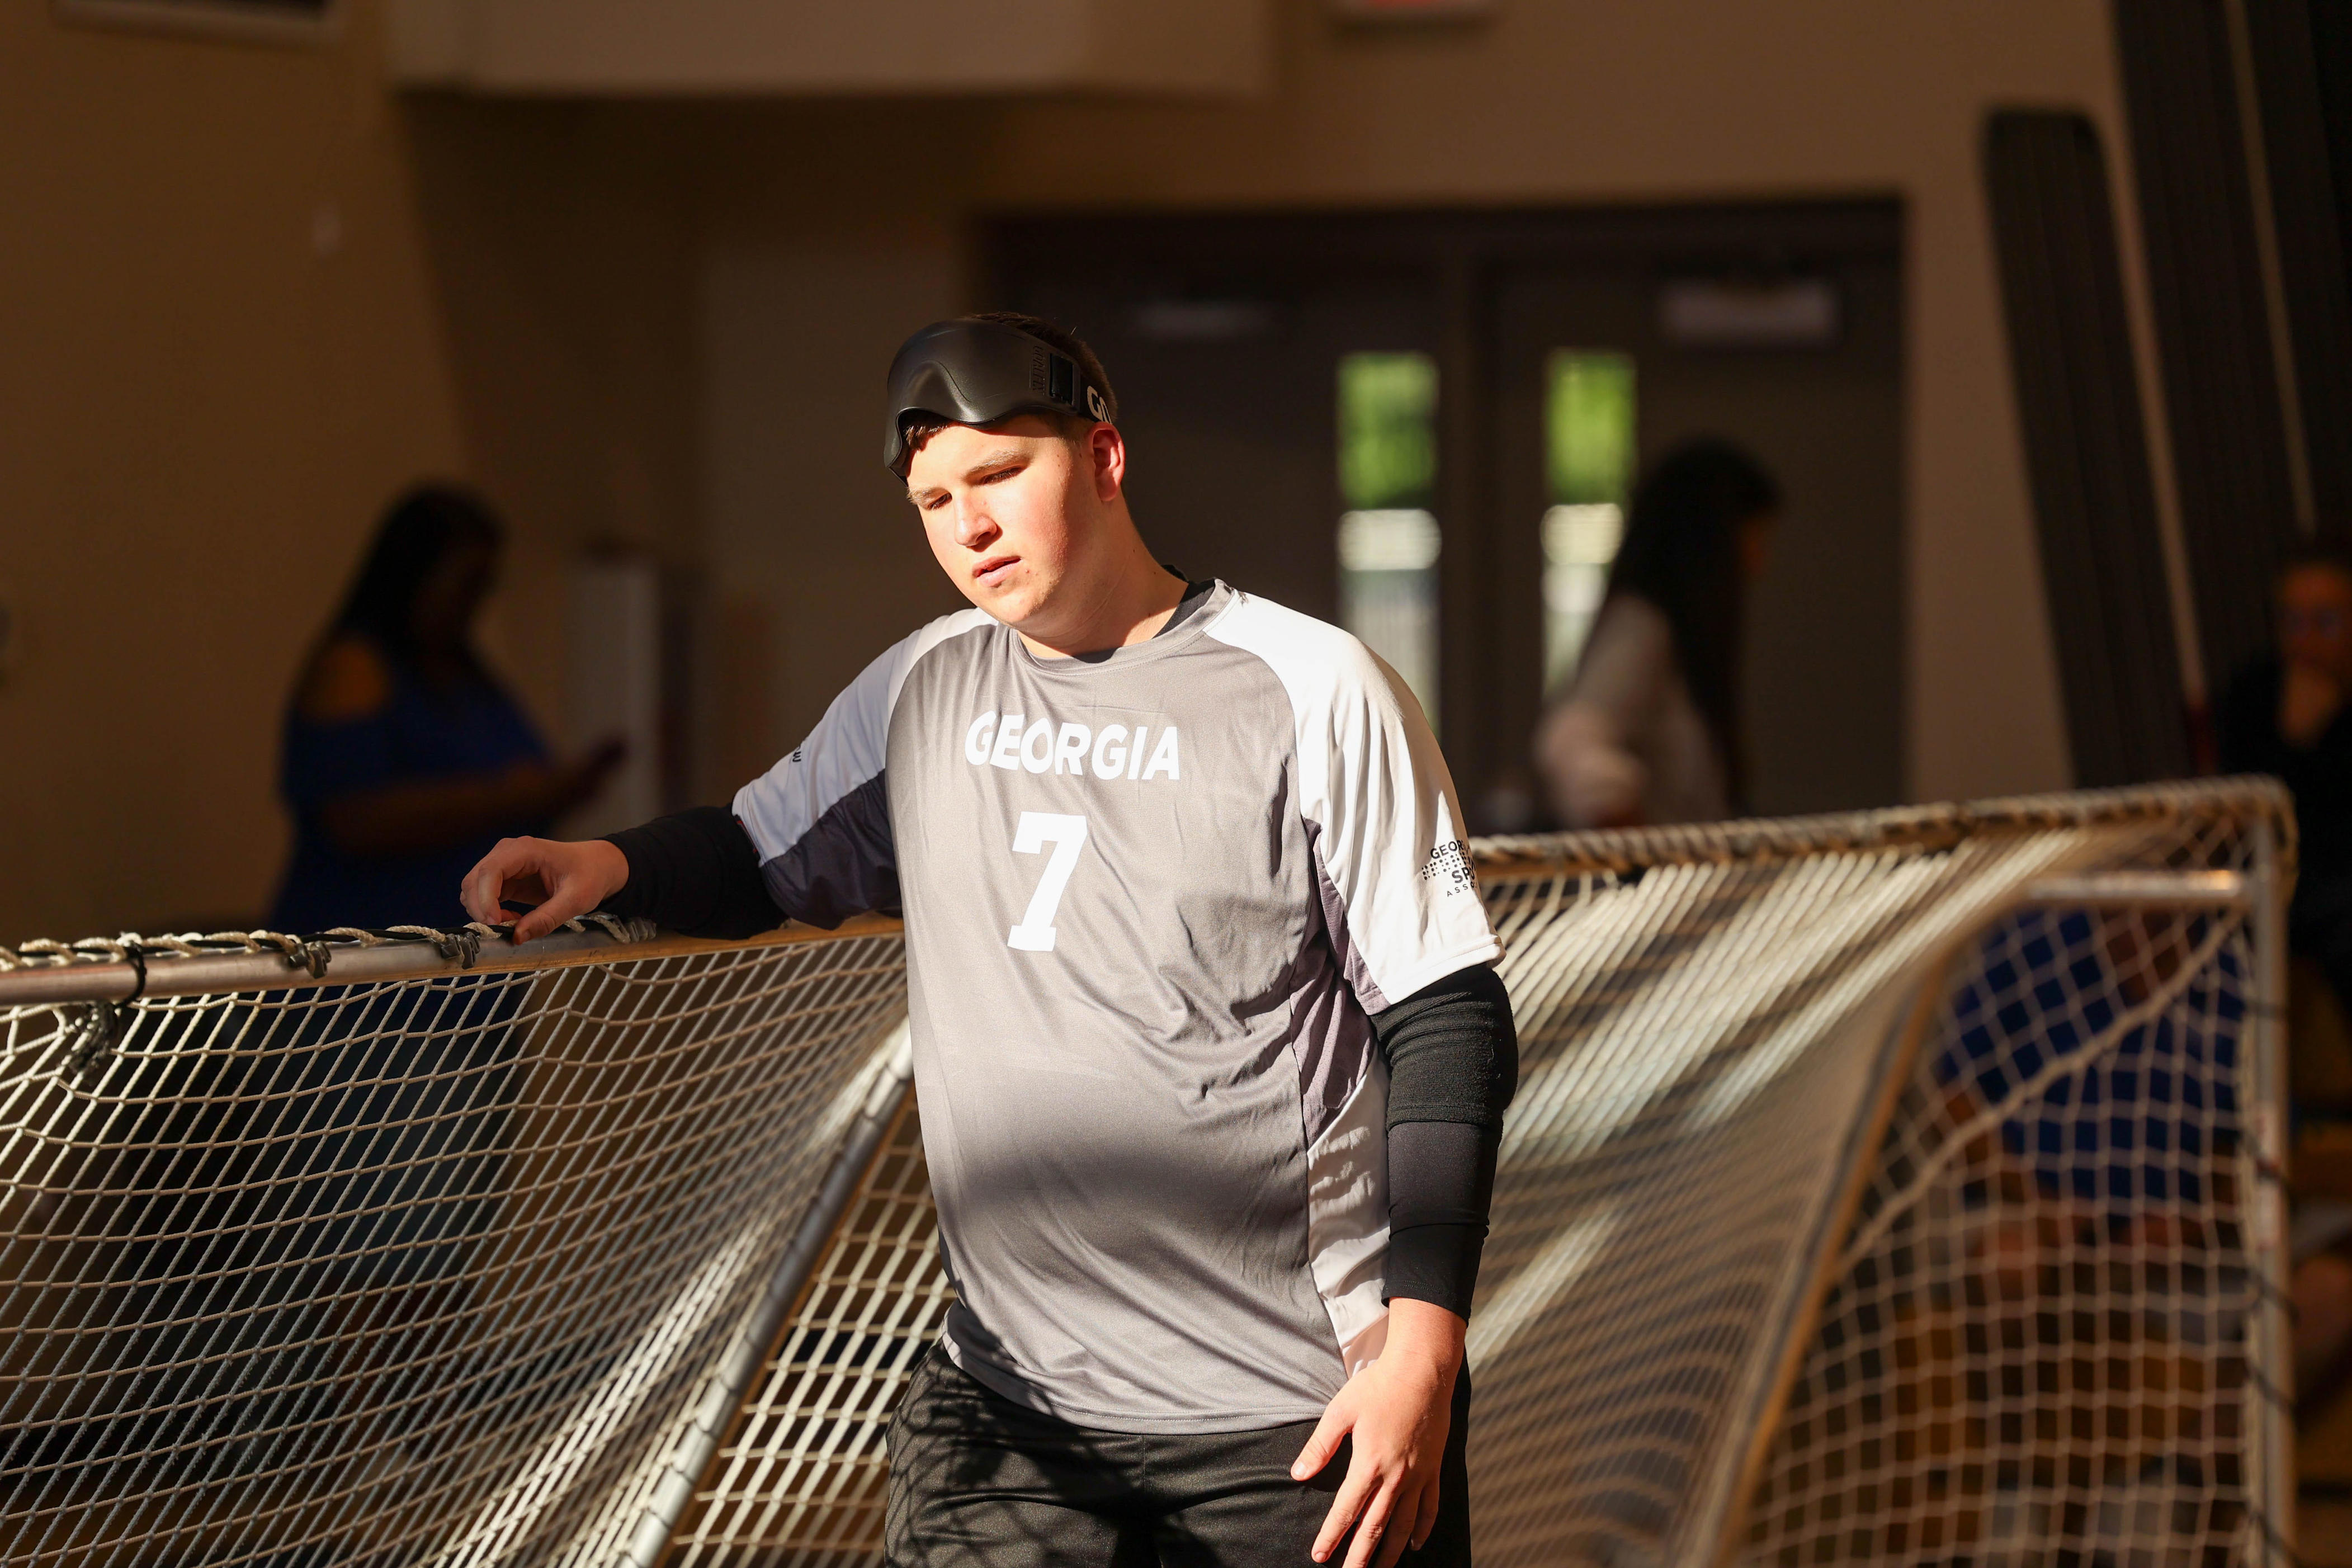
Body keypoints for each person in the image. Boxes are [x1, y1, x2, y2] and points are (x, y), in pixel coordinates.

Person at [460, 314, 1517, 1568]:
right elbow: (760, 851)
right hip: (1014, 1410)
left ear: (1106, 458)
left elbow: (1449, 1015)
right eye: (934, 499)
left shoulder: (1312, 686)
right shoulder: (927, 684)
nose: (969, 525)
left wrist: (1425, 1347)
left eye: (1002, 475)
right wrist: (612, 864)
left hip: (1285, 1417)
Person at [270, 484, 622, 932]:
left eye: (487, 585)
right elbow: (352, 818)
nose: (477, 601)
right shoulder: (356, 667)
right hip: (367, 950)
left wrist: (560, 789)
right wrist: (507, 798)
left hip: (468, 952)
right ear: (415, 572)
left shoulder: (467, 672)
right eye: (468, 582)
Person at [1533, 438, 1779, 829]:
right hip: (1667, 887)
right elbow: (1570, 743)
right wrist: (1644, 863)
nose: (1759, 562)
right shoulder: (1643, 628)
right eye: (1753, 541)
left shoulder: (1672, 636)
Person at [2221, 542, 2352, 1012]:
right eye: (2294, 623)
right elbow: (2249, 819)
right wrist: (2295, 743)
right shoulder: (2254, 694)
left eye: (2327, 623)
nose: (2308, 642)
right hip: (2292, 885)